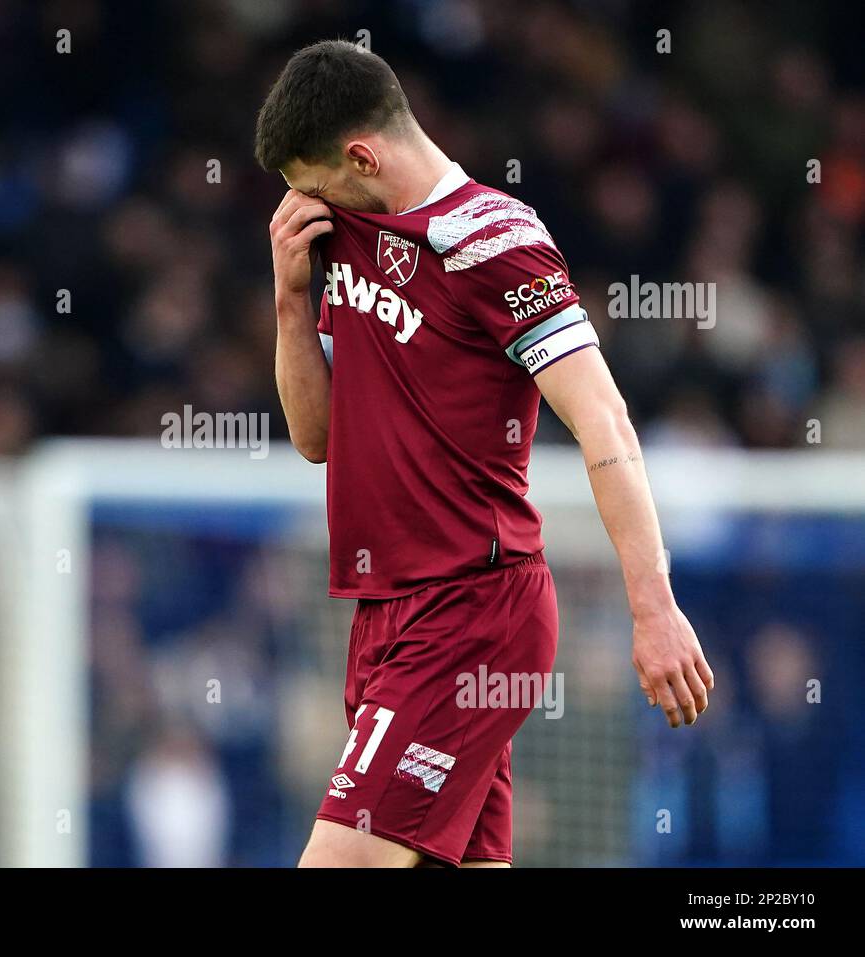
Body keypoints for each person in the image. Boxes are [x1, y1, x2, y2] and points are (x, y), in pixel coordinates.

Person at [255, 40, 715, 868]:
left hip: (470, 608)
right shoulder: (347, 238)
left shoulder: (498, 241)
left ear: (361, 155)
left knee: (342, 860)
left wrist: (653, 605)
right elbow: (316, 438)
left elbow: (604, 420)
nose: (304, 209)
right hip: (381, 615)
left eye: (312, 187)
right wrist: (292, 302)